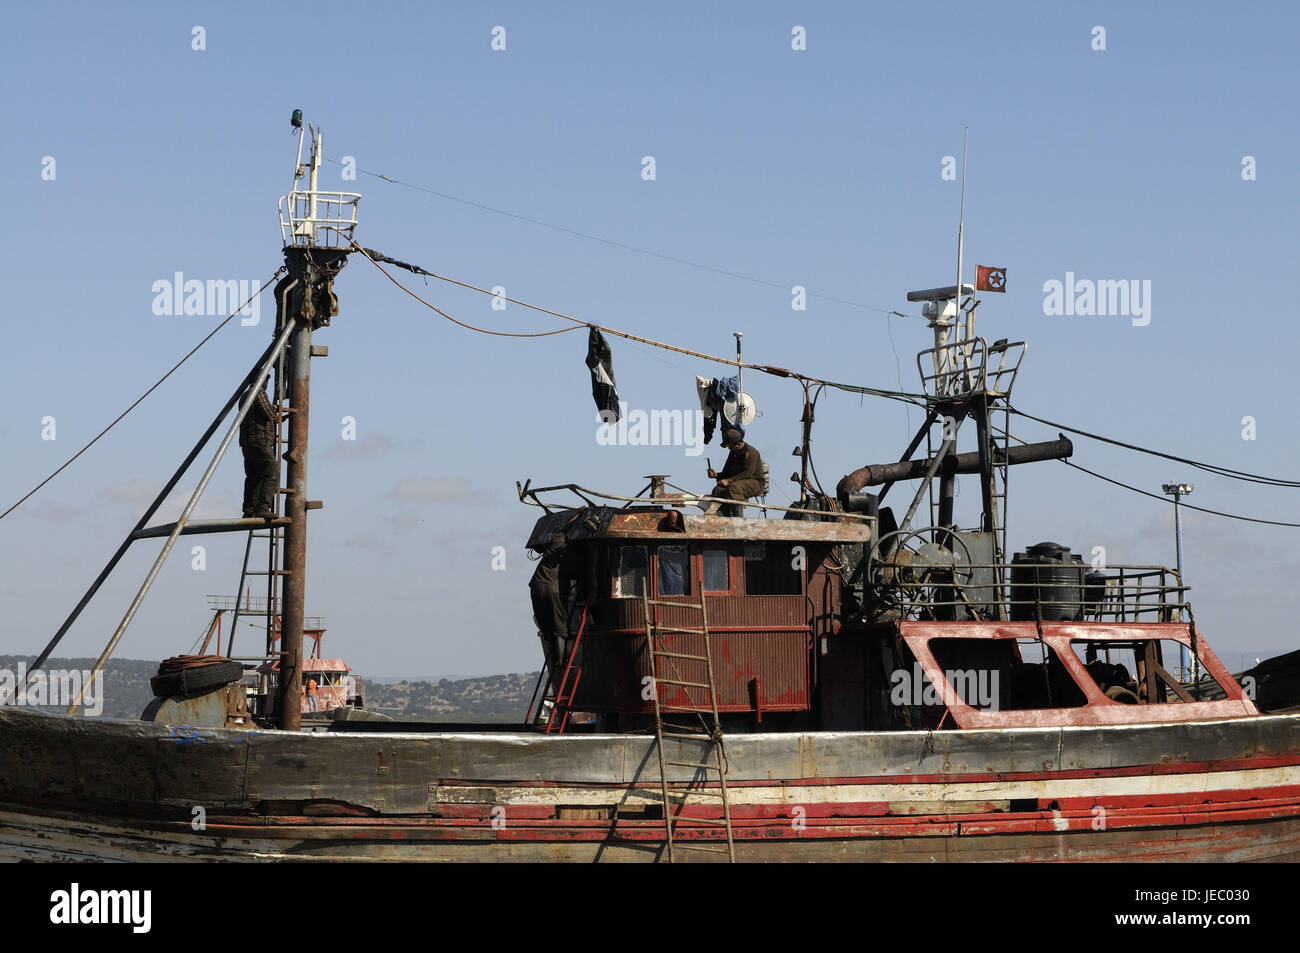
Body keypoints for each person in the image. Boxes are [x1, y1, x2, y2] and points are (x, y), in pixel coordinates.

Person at [530, 533, 579, 693]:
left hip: (536, 586)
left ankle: (554, 659)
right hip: (552, 587)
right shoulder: (567, 554)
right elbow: (575, 574)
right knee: (560, 625)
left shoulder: (549, 551)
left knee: (546, 625)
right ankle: (561, 661)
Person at [240, 383, 279, 519]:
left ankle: (249, 510)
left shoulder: (245, 394)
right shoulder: (258, 392)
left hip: (247, 442)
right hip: (260, 440)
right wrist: (274, 409)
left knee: (253, 476)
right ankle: (263, 507)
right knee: (271, 471)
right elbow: (268, 414)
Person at [707, 430, 764, 517]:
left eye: (729, 446)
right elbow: (727, 472)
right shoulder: (733, 453)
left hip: (755, 482)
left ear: (737, 444)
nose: (729, 448)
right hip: (736, 481)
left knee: (734, 488)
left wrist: (728, 481)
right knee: (717, 490)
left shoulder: (751, 452)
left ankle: (738, 520)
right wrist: (716, 475)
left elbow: (747, 473)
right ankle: (727, 519)